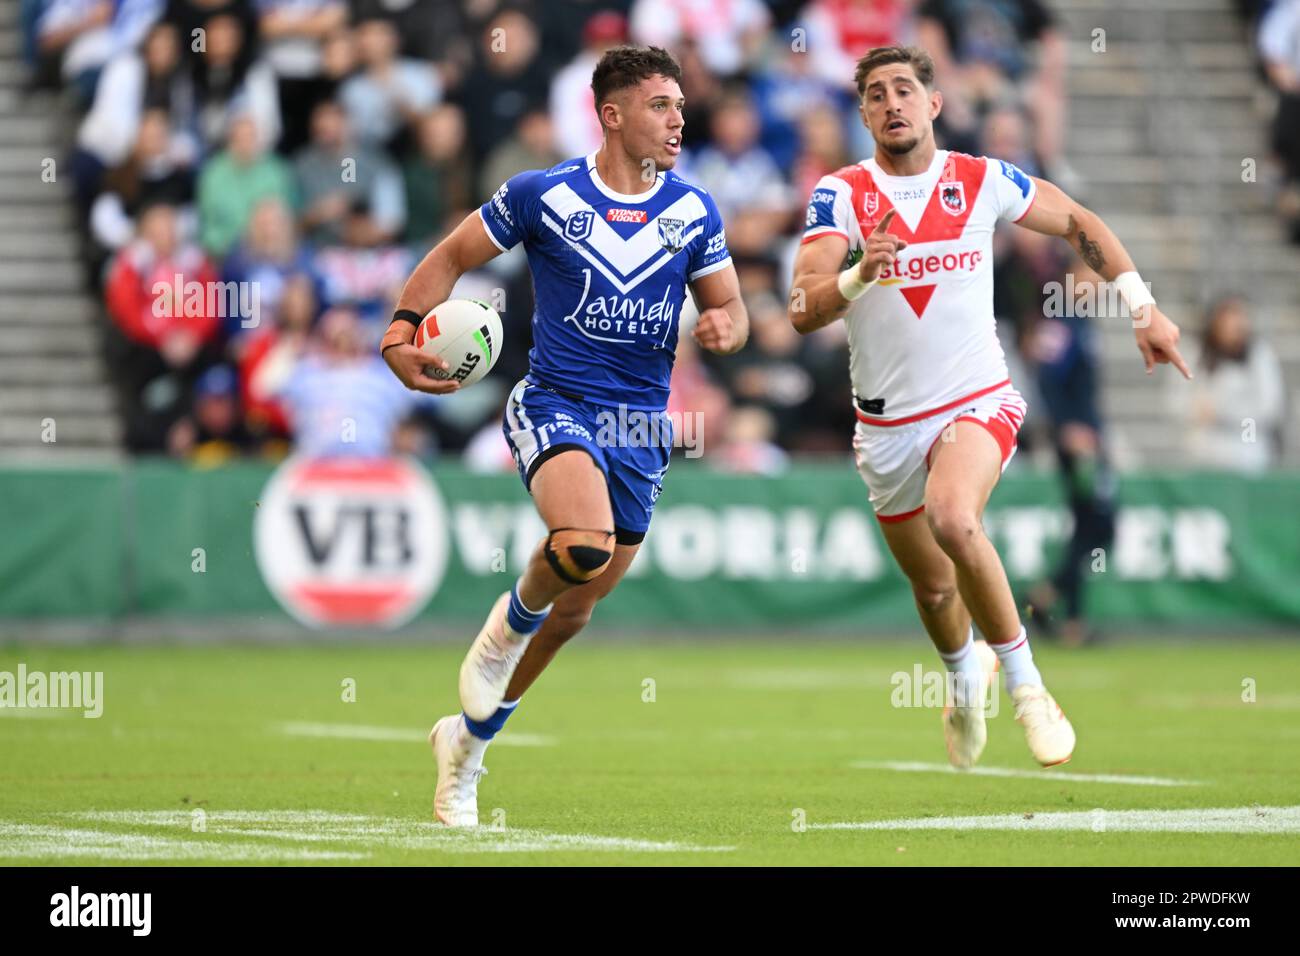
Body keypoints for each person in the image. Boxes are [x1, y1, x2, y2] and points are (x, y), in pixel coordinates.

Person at [788, 45, 1190, 771]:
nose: (892, 104)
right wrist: (856, 276)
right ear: (863, 112)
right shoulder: (841, 195)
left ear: (934, 104)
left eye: (905, 89)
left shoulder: (978, 180)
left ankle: (1031, 688)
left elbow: (1076, 222)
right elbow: (801, 309)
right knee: (935, 587)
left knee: (953, 516)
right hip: (884, 427)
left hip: (976, 398)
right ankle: (964, 676)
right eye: (875, 94)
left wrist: (1144, 308)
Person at [380, 45, 747, 825]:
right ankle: (501, 630)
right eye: (660, 106)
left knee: (577, 610)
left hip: (640, 427)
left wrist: (725, 324)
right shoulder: (542, 194)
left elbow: (732, 309)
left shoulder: (695, 211)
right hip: (556, 402)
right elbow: (451, 255)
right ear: (611, 114)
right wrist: (399, 336)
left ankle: (466, 751)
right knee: (580, 542)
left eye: (681, 106)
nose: (679, 119)